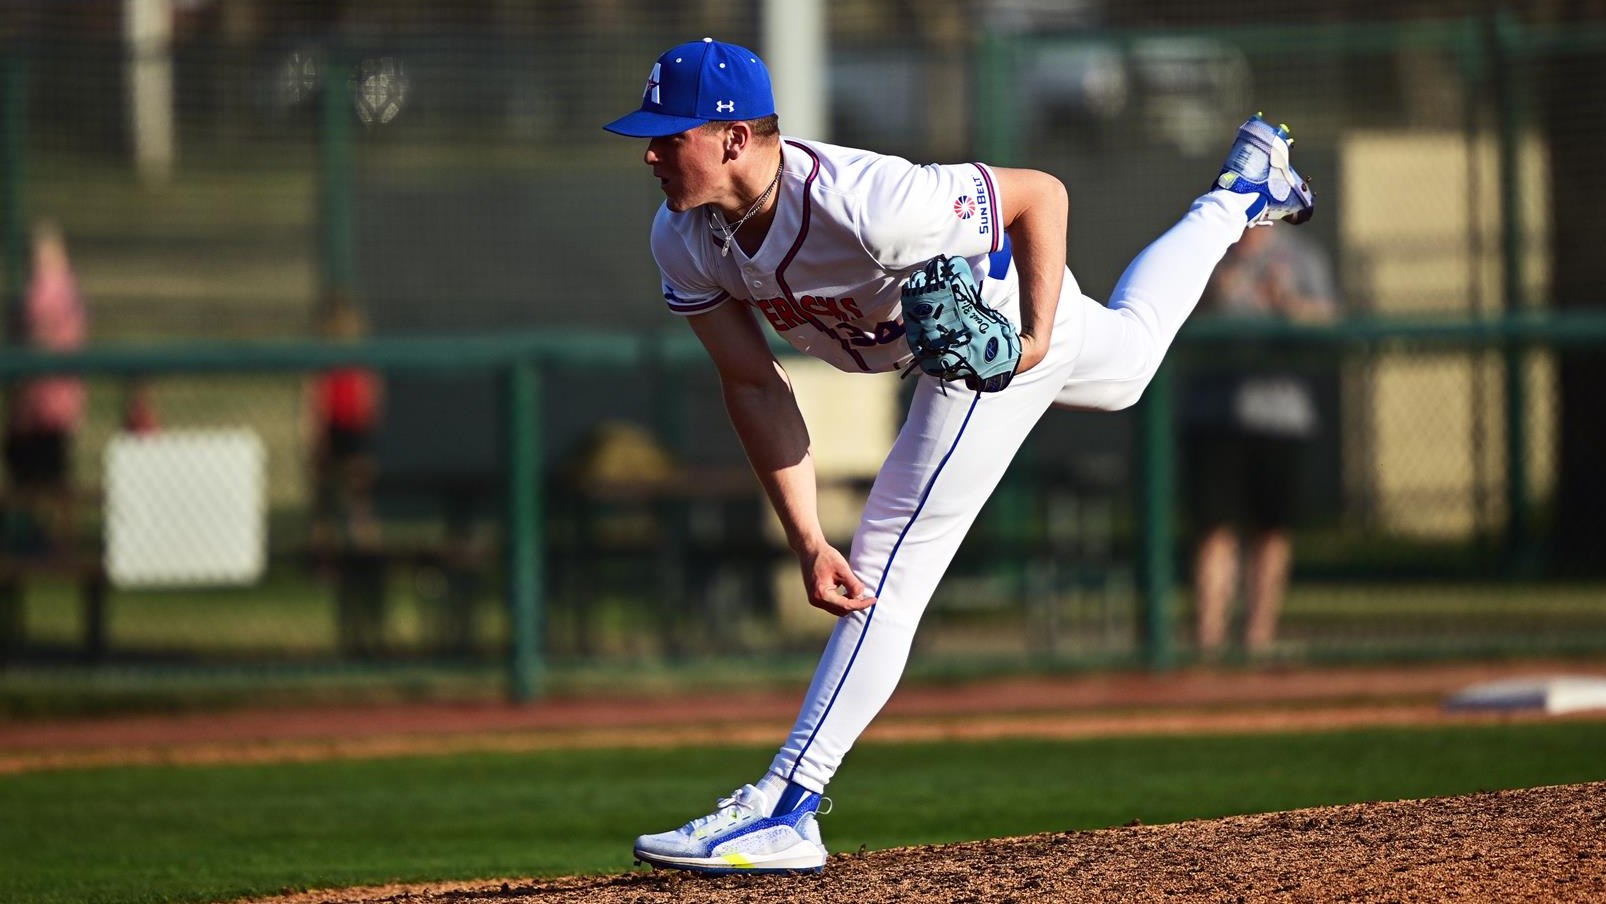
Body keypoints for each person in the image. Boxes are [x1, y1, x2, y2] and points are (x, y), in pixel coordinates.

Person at [603, 37, 1314, 875]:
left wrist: (1035, 341)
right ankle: (1241, 195)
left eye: (667, 133)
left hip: (996, 323)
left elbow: (1040, 195)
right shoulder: (682, 236)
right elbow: (755, 387)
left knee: (889, 562)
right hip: (953, 339)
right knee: (1128, 362)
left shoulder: (870, 202)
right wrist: (803, 536)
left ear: (730, 138)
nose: (648, 152)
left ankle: (786, 806)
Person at [1183, 224, 1338, 660]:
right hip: (1214, 413)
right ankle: (1208, 644)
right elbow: (1164, 318)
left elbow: (1329, 320)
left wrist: (1288, 304)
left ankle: (1258, 640)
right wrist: (1213, 296)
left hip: (1280, 414)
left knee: (1270, 529)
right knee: (1214, 528)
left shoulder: (1301, 256)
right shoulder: (1206, 249)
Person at [3, 220, 88, 557]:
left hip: (46, 403)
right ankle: (44, 539)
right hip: (49, 403)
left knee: (41, 474)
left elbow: (43, 335)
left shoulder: (48, 292)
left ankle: (46, 543)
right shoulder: (64, 292)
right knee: (46, 475)